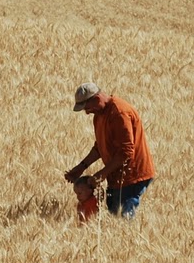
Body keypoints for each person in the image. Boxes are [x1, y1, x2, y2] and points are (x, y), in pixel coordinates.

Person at [64, 83, 155, 218]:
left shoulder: (119, 113)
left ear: (96, 99)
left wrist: (101, 175)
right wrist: (81, 167)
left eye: (87, 107)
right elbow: (99, 147)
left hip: (132, 176)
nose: (87, 112)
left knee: (124, 220)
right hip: (117, 176)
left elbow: (126, 152)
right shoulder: (99, 115)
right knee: (114, 215)